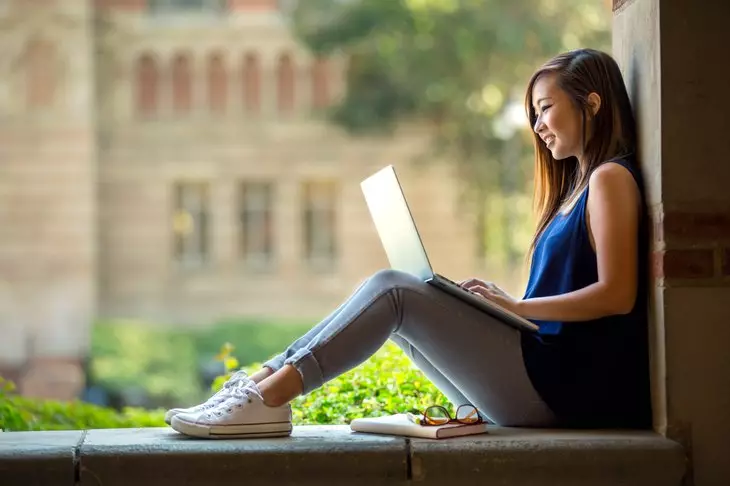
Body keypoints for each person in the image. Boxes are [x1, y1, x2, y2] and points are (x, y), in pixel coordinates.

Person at [166, 48, 652, 438]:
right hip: (546, 379)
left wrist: (519, 307)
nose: (538, 125)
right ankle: (257, 384)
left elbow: (617, 294)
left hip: (565, 389)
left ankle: (270, 399)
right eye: (534, 113)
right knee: (404, 311)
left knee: (394, 290)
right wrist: (500, 309)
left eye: (545, 108)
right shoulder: (577, 190)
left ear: (592, 103)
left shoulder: (610, 179)